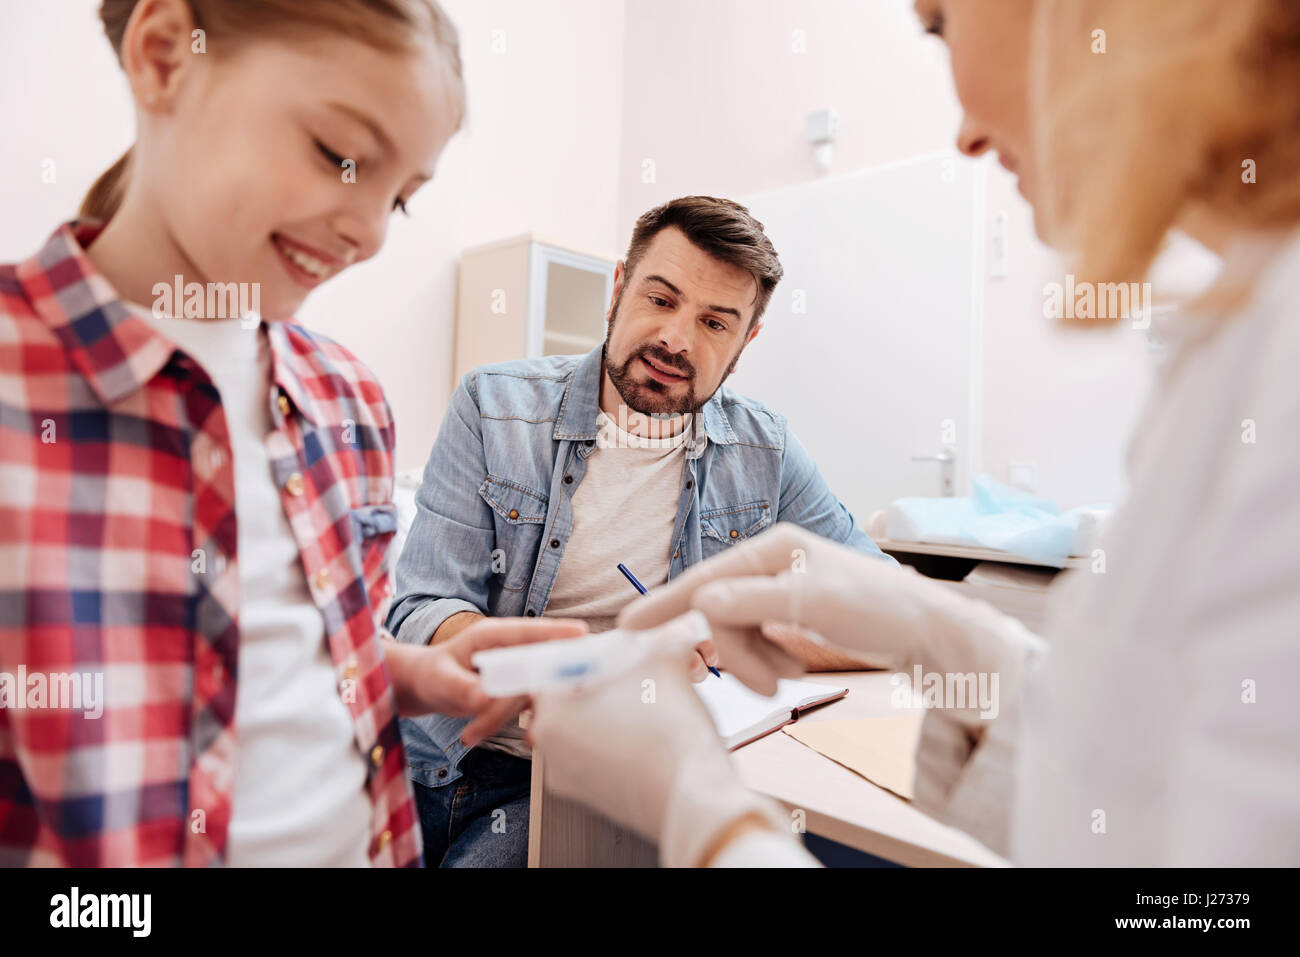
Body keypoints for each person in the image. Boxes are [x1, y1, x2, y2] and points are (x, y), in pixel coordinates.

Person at [529, 0, 1300, 867]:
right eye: (661, 300)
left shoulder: (1274, 364)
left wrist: (702, 810)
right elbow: (1139, 805)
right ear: (619, 289)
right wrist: (946, 639)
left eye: (939, 25)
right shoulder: (1246, 338)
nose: (966, 134)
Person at [0, 0, 584, 867]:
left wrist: (408, 673)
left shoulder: (344, 398)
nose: (370, 230)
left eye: (401, 198)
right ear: (164, 56)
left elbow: (265, 665)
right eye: (338, 156)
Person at [388, 195, 894, 867]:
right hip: (465, 760)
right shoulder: (493, 406)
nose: (676, 340)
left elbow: (885, 602)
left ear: (744, 345)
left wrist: (730, 634)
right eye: (661, 300)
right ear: (618, 289)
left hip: (617, 770)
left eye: (715, 321)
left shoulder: (763, 449)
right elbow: (420, 608)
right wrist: (532, 665)